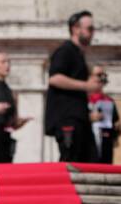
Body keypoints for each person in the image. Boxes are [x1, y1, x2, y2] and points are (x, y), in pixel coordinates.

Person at [44, 11, 102, 162]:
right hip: (68, 118)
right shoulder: (65, 51)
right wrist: (86, 85)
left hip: (80, 117)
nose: (92, 33)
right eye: (89, 28)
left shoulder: (78, 54)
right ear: (76, 29)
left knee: (89, 160)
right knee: (71, 161)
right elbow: (55, 78)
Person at [87, 66, 121, 164]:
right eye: (99, 75)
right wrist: (89, 118)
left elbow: (115, 123)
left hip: (105, 147)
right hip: (87, 147)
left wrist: (118, 127)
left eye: (104, 75)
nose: (102, 78)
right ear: (89, 77)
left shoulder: (109, 101)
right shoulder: (82, 100)